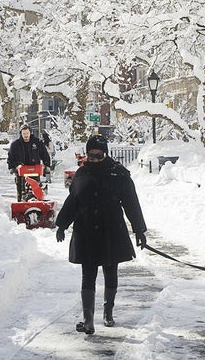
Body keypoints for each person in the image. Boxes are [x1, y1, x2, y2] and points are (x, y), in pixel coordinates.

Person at [55, 135, 147, 335]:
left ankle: (108, 313)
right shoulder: (81, 174)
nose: (95, 159)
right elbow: (73, 201)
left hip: (111, 230)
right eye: (91, 156)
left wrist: (139, 229)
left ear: (106, 154)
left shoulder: (118, 174)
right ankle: (88, 320)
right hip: (86, 231)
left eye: (99, 155)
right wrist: (62, 224)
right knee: (88, 275)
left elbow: (131, 203)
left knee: (110, 270)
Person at [7, 124, 52, 200]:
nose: (26, 135)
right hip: (21, 172)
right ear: (21, 133)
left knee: (36, 189)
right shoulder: (15, 145)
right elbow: (11, 157)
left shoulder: (37, 143)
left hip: (34, 170)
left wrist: (47, 165)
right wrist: (11, 167)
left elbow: (44, 154)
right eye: (24, 133)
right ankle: (21, 203)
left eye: (27, 133)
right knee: (21, 192)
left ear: (30, 133)